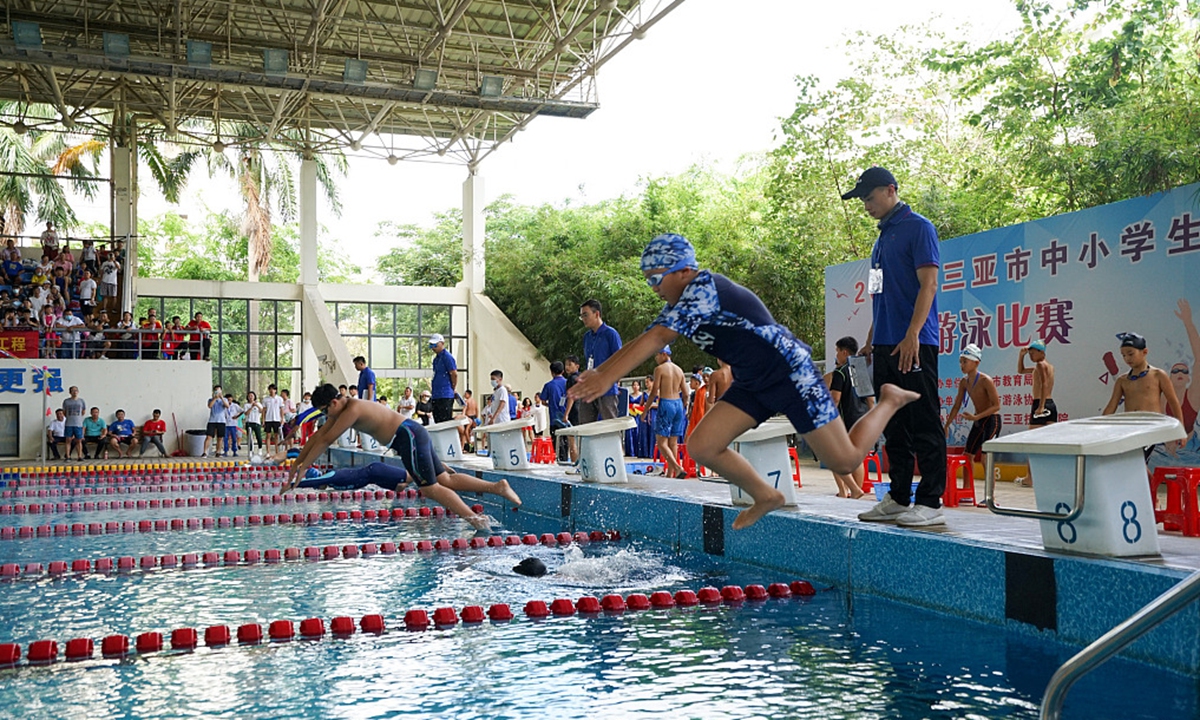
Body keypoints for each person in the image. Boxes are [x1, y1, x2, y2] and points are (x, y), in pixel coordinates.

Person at [570, 233, 918, 530]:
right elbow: (644, 338)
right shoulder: (682, 302)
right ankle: (766, 494)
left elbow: (657, 338)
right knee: (702, 446)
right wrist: (601, 373)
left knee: (844, 460)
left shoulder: (705, 288)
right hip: (754, 381)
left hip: (791, 374)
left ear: (684, 270)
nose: (653, 288)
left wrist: (605, 377)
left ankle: (889, 400)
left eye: (655, 279)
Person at [843, 166, 948, 527]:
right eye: (863, 201)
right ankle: (899, 496)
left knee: (923, 420)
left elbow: (929, 285)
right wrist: (873, 340)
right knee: (894, 424)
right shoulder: (880, 242)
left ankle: (931, 500)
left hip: (915, 343)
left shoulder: (919, 228)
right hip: (886, 343)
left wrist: (913, 334)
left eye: (870, 198)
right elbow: (879, 296)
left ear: (891, 190)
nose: (866, 206)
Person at [284, 384, 516, 531]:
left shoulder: (352, 409)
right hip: (412, 435)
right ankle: (497, 487)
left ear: (333, 402)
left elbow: (324, 440)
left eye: (325, 410)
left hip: (408, 437)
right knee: (444, 480)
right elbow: (317, 437)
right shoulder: (344, 409)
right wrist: (297, 466)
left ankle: (475, 519)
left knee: (430, 488)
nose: (326, 416)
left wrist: (302, 470)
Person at [1103, 332, 1185, 461]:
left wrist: (1180, 430)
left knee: (1136, 461)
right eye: (1124, 355)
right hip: (1129, 429)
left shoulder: (1158, 375)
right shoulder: (1122, 380)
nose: (1127, 359)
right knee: (1133, 463)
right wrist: (1101, 428)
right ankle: (1153, 482)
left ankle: (1150, 481)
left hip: (1150, 428)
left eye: (1131, 354)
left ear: (1144, 352)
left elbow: (1173, 402)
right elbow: (1111, 406)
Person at [825, 336, 873, 499]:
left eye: (837, 351)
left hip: (846, 422)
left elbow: (835, 399)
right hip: (862, 419)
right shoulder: (860, 371)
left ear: (844, 352)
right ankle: (856, 491)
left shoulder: (840, 373)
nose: (836, 354)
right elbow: (870, 398)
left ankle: (844, 490)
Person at [944, 344, 1001, 464]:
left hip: (992, 420)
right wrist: (947, 425)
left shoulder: (986, 381)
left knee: (986, 458)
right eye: (960, 362)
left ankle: (990, 484)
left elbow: (996, 406)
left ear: (976, 362)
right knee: (967, 456)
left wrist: (975, 417)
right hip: (978, 420)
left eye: (965, 362)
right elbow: (957, 405)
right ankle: (968, 484)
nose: (962, 365)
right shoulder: (964, 382)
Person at [578, 299, 623, 423]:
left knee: (610, 424)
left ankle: (615, 443)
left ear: (597, 314)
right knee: (585, 424)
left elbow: (620, 360)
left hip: (606, 388)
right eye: (581, 316)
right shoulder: (587, 337)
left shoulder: (611, 334)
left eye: (585, 315)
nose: (583, 319)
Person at [648, 346, 688, 478]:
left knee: (661, 442)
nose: (655, 358)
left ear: (664, 354)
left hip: (666, 403)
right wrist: (684, 406)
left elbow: (654, 392)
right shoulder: (680, 370)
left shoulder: (659, 369)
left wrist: (646, 409)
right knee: (673, 442)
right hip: (678, 404)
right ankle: (671, 473)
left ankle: (677, 467)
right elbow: (686, 393)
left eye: (657, 355)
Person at [1171, 299, 1200, 435]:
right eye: (1175, 371)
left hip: (1190, 450)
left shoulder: (1193, 396)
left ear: (1189, 378)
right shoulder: (1163, 398)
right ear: (1169, 378)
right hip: (1164, 449)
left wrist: (1188, 322)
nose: (1180, 373)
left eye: (1184, 371)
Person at [429, 333, 458, 423]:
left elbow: (454, 373)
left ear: (442, 343)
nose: (433, 348)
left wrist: (453, 387)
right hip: (436, 394)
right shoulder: (436, 360)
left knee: (445, 421)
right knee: (437, 420)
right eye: (431, 345)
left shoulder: (447, 357)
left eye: (435, 345)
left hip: (445, 394)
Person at [203, 385, 229, 458]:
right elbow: (210, 406)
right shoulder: (210, 399)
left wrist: (222, 398)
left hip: (221, 421)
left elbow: (227, 406)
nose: (218, 392)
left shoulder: (225, 399)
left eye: (219, 390)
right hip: (212, 421)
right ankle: (205, 452)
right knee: (209, 436)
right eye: (216, 391)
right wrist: (215, 398)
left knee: (220, 437)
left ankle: (218, 452)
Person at [62, 386, 87, 460]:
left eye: (76, 390)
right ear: (70, 392)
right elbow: (64, 412)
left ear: (78, 391)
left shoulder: (81, 401)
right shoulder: (66, 401)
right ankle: (68, 456)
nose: (74, 392)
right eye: (72, 390)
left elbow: (83, 412)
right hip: (69, 424)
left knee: (79, 440)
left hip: (78, 424)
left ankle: (79, 456)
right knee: (68, 440)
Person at [263, 383, 284, 452]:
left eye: (273, 389)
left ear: (276, 390)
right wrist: (263, 420)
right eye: (271, 389)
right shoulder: (266, 399)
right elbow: (264, 410)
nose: (272, 391)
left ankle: (277, 451)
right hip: (268, 419)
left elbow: (281, 409)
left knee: (276, 436)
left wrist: (282, 418)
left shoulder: (279, 399)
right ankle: (268, 452)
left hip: (277, 419)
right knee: (268, 436)